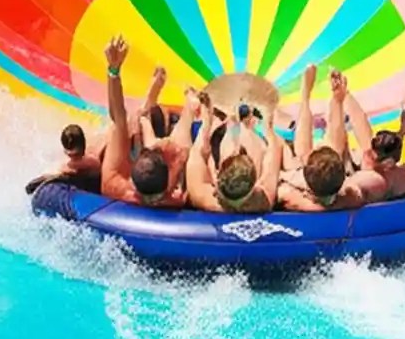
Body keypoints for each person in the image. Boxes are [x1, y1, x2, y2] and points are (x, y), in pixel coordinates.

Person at [99, 36, 197, 207]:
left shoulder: (112, 184)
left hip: (135, 147)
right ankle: (188, 107)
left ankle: (148, 105)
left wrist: (113, 71)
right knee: (181, 142)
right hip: (163, 157)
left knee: (126, 126)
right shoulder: (175, 199)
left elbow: (118, 117)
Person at [276, 65, 366, 212]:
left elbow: (279, 184)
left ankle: (305, 96)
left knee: (302, 157)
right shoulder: (353, 194)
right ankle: (337, 101)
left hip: (305, 180)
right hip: (330, 185)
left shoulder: (291, 195)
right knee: (335, 155)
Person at [186, 93, 283, 213]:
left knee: (232, 142)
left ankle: (233, 122)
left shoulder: (202, 197)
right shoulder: (265, 199)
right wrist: (268, 129)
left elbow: (196, 153)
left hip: (218, 169)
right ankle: (239, 123)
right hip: (252, 179)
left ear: (217, 178)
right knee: (250, 143)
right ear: (255, 186)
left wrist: (207, 122)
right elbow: (274, 154)